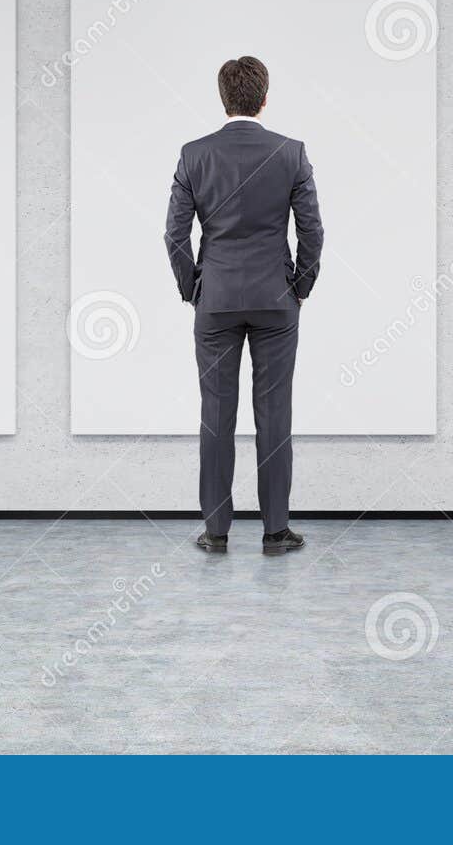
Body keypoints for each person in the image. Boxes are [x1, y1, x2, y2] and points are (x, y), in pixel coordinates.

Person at [164, 56, 323, 555]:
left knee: (216, 414)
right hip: (277, 301)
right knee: (274, 414)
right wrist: (300, 285)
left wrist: (193, 288)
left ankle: (216, 532)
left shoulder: (194, 155)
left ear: (223, 98)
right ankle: (275, 531)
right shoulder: (290, 153)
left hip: (216, 301)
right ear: (264, 97)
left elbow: (174, 235)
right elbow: (312, 230)